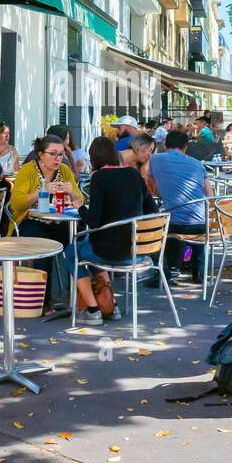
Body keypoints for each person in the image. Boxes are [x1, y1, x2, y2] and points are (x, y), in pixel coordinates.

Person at [72, 137, 159, 325]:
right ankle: (110, 304)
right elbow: (153, 211)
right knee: (90, 248)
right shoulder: (134, 174)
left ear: (93, 158)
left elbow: (93, 222)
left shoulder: (99, 177)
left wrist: (79, 206)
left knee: (72, 251)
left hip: (109, 252)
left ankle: (93, 310)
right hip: (139, 252)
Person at [149, 129, 213, 284]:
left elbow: (153, 188)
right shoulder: (198, 164)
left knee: (161, 225)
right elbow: (210, 195)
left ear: (165, 144)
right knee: (195, 223)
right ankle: (199, 273)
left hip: (174, 223)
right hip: (200, 223)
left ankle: (167, 270)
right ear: (186, 147)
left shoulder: (154, 160)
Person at [9, 133, 85, 233]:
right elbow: (15, 204)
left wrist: (71, 193)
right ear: (41, 154)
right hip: (30, 221)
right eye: (53, 154)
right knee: (36, 232)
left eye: (61, 154)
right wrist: (41, 191)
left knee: (77, 232)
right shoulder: (28, 170)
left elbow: (81, 202)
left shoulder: (64, 170)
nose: (58, 158)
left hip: (59, 221)